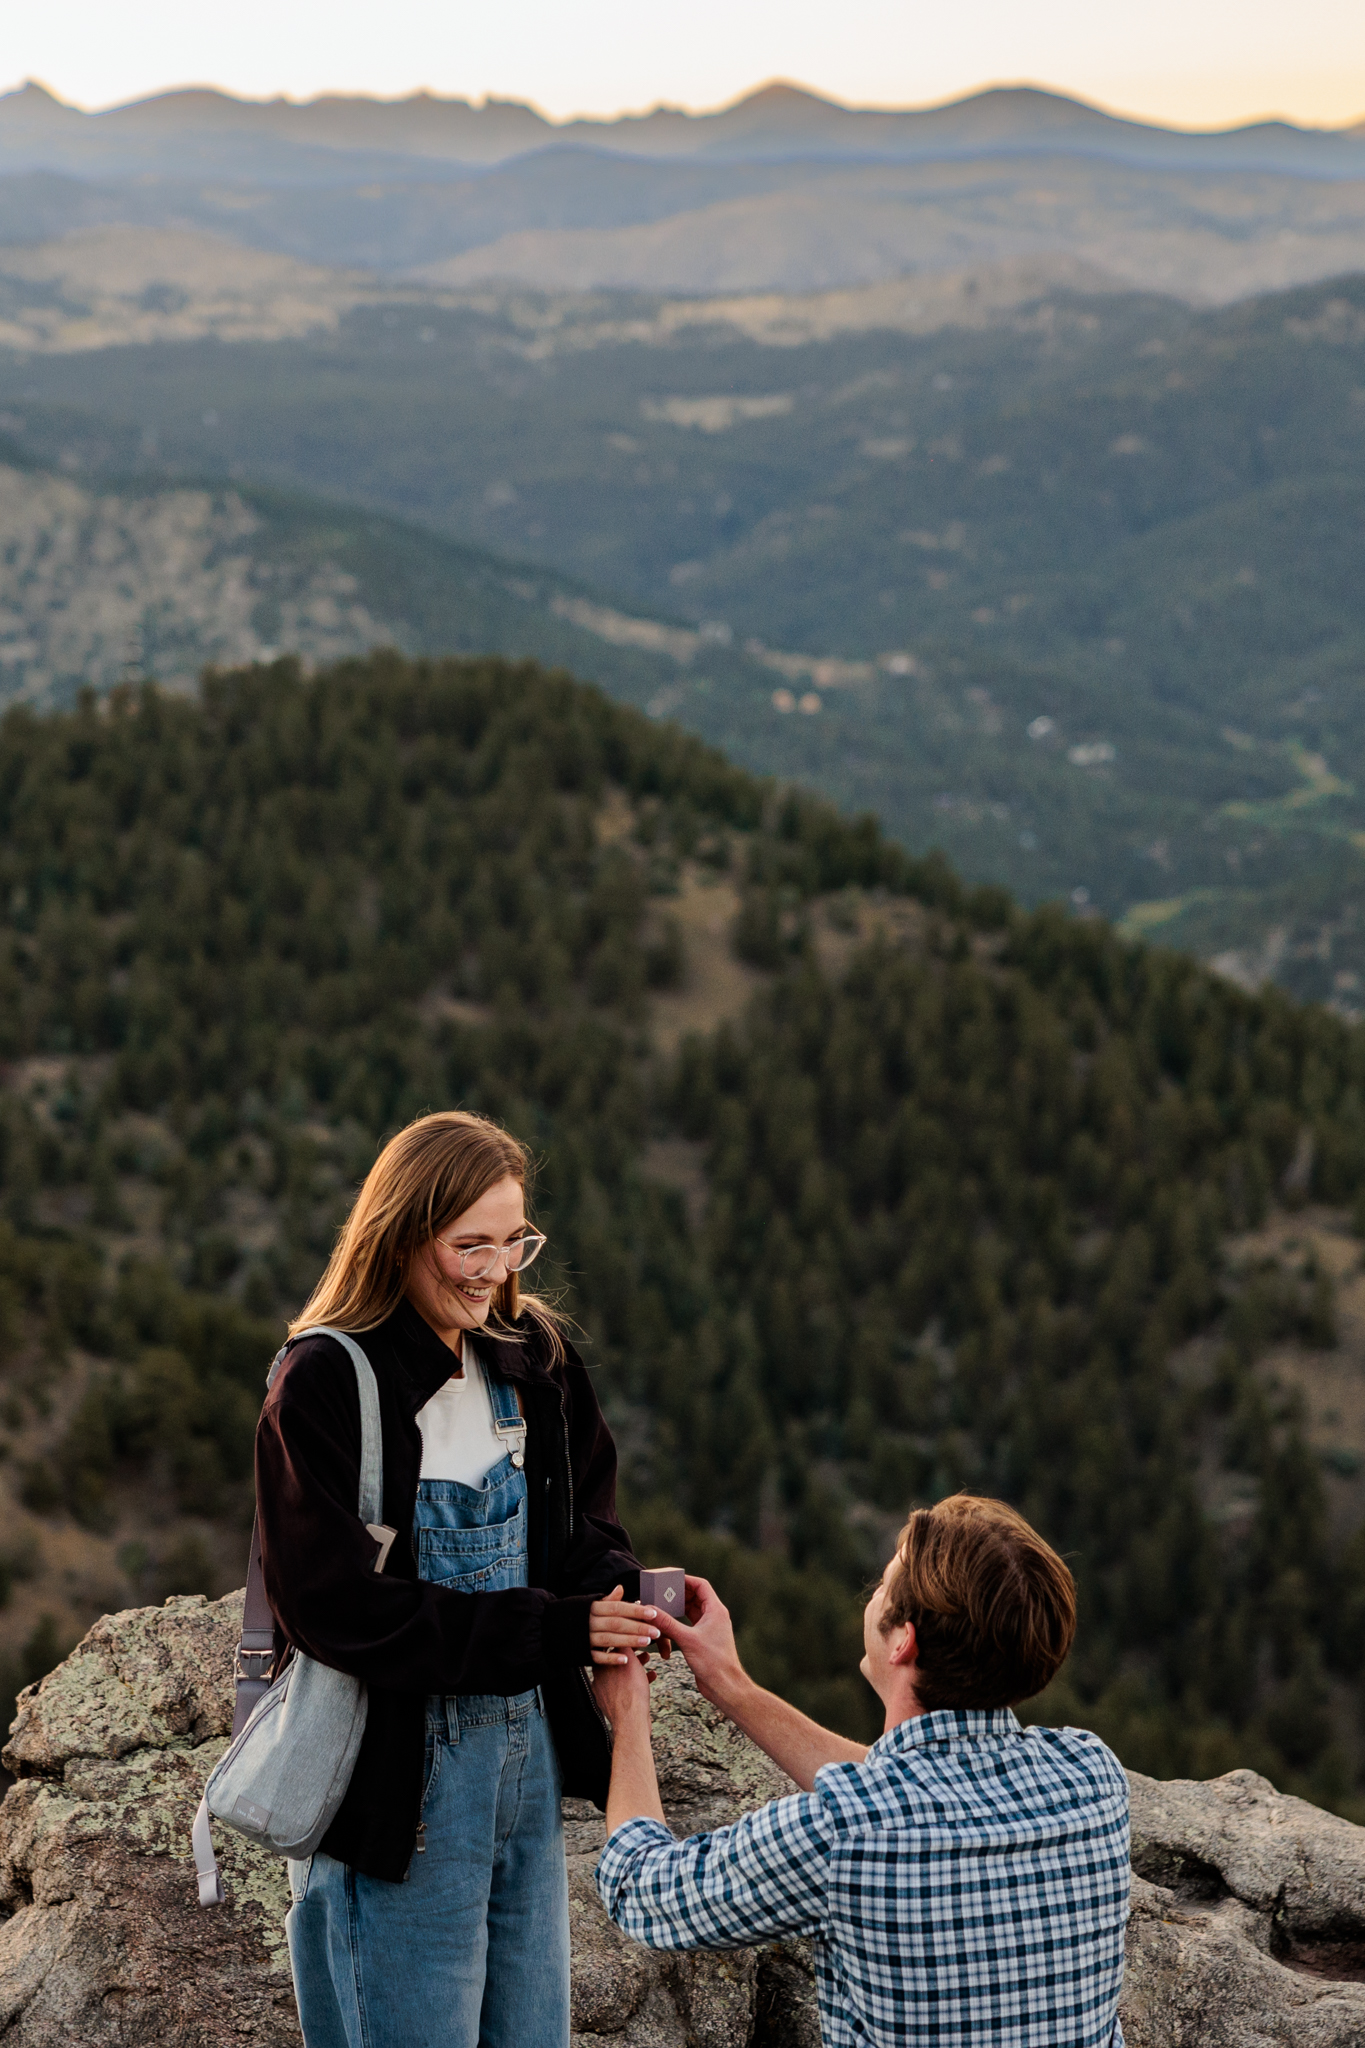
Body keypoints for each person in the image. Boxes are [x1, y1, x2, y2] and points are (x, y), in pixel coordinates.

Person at [254, 1109, 661, 2048]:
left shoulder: (534, 1356)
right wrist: (555, 1631)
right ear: (399, 1236)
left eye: (514, 1241)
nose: (496, 1270)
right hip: (393, 1794)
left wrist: (623, 1595)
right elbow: (333, 1609)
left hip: (528, 1775)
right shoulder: (324, 1379)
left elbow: (585, 1526)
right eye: (468, 1245)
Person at [593, 1493, 1131, 2048]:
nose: (871, 1596)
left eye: (884, 1584)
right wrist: (731, 1686)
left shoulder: (842, 1833)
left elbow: (638, 1886)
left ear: (903, 1641)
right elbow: (919, 1789)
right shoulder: (1092, 1776)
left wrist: (628, 1714)